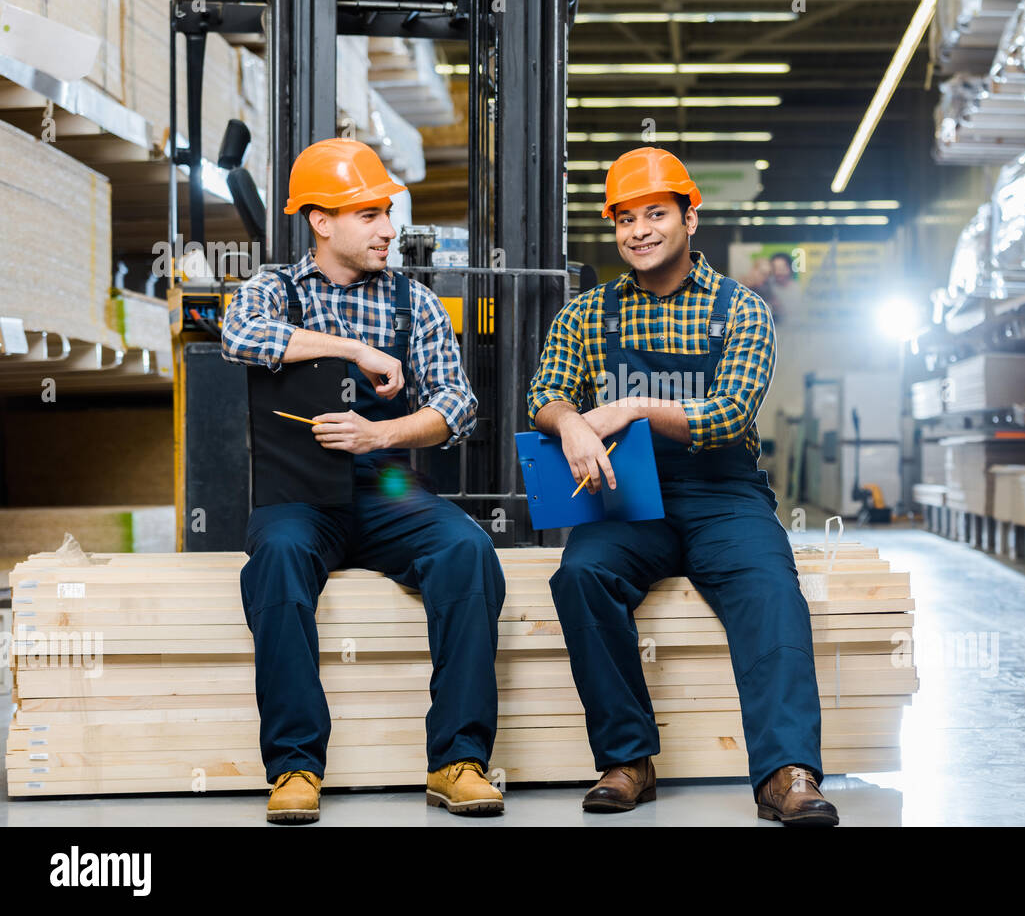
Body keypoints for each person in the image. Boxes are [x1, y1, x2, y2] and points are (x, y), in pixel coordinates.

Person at [526, 146, 839, 826]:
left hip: (723, 492)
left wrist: (632, 405)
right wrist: (570, 422)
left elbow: (728, 416)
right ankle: (627, 758)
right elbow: (544, 393)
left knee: (771, 590)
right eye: (625, 219)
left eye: (655, 214)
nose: (637, 230)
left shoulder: (742, 310)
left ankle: (787, 773)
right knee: (580, 573)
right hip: (629, 497)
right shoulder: (587, 313)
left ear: (690, 217)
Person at [221, 138, 506, 823]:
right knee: (279, 559)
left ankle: (457, 759)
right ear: (320, 221)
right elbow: (237, 333)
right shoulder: (274, 289)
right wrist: (351, 347)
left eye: (388, 212)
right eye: (370, 213)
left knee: (468, 550)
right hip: (297, 489)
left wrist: (380, 432)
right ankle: (294, 766)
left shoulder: (416, 303)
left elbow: (456, 406)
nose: (388, 229)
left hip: (383, 485)